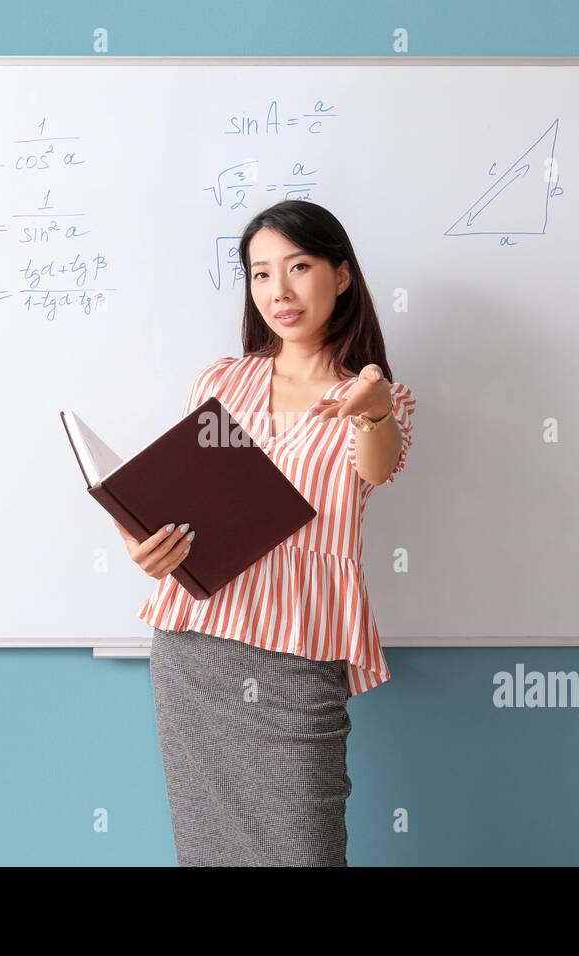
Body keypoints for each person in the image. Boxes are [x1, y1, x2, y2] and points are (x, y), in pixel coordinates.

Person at [112, 200, 417, 866]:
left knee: (304, 849)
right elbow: (182, 499)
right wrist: (148, 549)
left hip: (301, 649)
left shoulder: (374, 394)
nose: (278, 290)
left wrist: (371, 411)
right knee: (208, 852)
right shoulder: (223, 381)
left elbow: (379, 467)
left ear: (341, 275)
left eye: (299, 266)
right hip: (196, 647)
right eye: (260, 274)